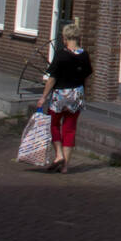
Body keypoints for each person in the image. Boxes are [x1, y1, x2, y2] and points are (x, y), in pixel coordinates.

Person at [37, 22, 92, 174]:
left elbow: (52, 78)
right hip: (77, 95)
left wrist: (43, 97)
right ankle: (65, 167)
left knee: (53, 124)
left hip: (61, 94)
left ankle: (59, 155)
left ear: (65, 38)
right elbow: (86, 75)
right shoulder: (84, 55)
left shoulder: (62, 54)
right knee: (70, 128)